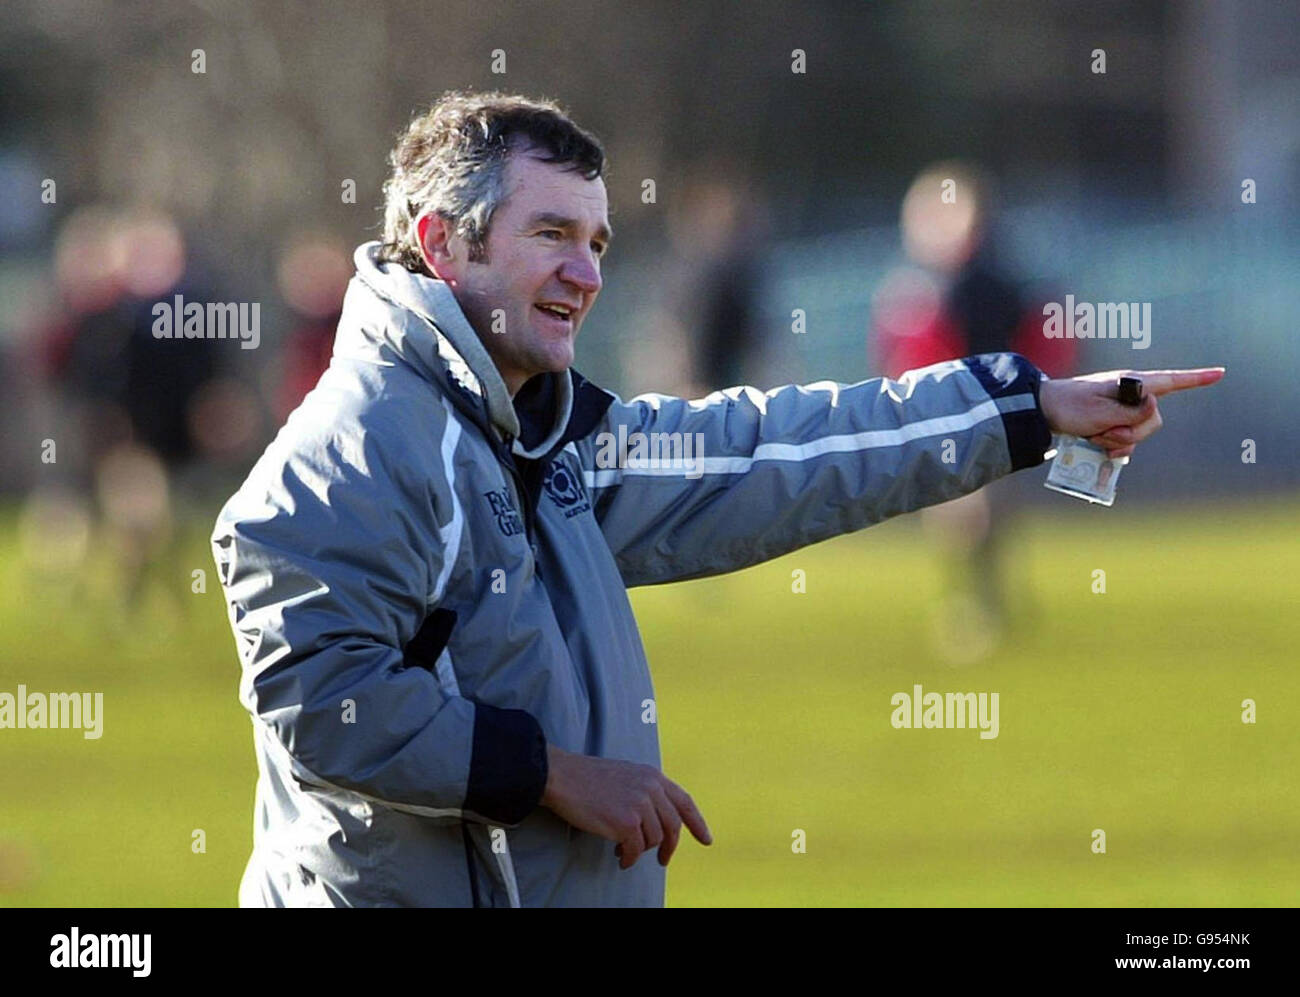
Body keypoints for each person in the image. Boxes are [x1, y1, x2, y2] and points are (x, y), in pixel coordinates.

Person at [210, 90, 1223, 907]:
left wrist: (1029, 407)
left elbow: (775, 450)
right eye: (552, 233)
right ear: (444, 245)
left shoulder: (547, 432)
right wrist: (553, 773)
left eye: (599, 243)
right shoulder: (353, 451)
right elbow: (325, 703)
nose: (584, 272)